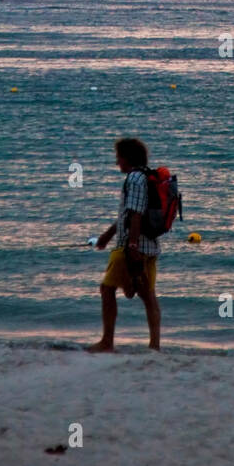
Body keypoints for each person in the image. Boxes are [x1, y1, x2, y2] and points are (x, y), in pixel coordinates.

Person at [86, 137, 161, 352]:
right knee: (148, 296)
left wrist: (133, 246)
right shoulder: (145, 177)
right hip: (149, 246)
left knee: (107, 289)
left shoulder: (134, 179)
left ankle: (107, 342)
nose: (116, 161)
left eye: (118, 157)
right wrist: (107, 236)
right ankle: (154, 346)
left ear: (127, 158)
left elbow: (135, 215)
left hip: (131, 248)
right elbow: (127, 215)